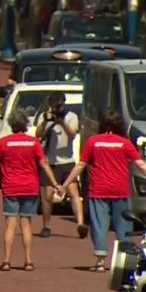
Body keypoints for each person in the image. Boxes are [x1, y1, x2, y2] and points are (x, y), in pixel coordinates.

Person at [61, 109, 146, 272]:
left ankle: (100, 260)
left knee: (99, 225)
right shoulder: (124, 143)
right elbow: (141, 164)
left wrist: (65, 184)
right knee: (124, 225)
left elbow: (80, 165)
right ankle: (123, 261)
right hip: (120, 190)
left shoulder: (93, 142)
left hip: (99, 189)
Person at [0, 110, 62, 271]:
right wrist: (55, 183)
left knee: (10, 225)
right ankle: (28, 260)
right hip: (30, 187)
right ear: (26, 125)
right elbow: (44, 164)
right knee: (26, 224)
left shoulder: (3, 143)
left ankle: (6, 260)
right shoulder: (34, 143)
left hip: (11, 187)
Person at [34, 92, 87, 238]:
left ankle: (80, 224)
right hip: (50, 161)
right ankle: (46, 225)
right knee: (47, 195)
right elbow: (37, 134)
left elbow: (72, 135)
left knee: (73, 192)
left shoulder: (71, 117)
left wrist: (61, 122)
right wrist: (46, 121)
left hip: (67, 161)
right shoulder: (45, 116)